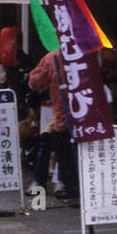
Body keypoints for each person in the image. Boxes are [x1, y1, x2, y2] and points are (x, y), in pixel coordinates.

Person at [28, 49, 78, 199]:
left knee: (48, 144)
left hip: (61, 117)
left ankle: (43, 181)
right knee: (63, 148)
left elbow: (35, 82)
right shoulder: (86, 55)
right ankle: (63, 182)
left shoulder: (54, 57)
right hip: (80, 117)